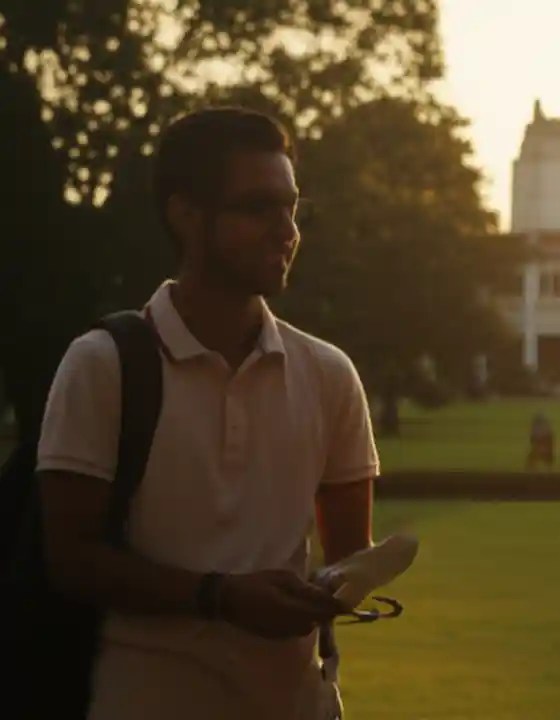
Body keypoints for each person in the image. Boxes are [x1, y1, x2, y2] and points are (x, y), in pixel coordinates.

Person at [36, 107, 380, 719]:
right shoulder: (102, 365)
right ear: (186, 215)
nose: (286, 230)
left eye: (291, 206)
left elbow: (349, 556)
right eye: (257, 208)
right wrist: (219, 597)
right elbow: (69, 558)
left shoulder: (328, 374)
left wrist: (339, 587)